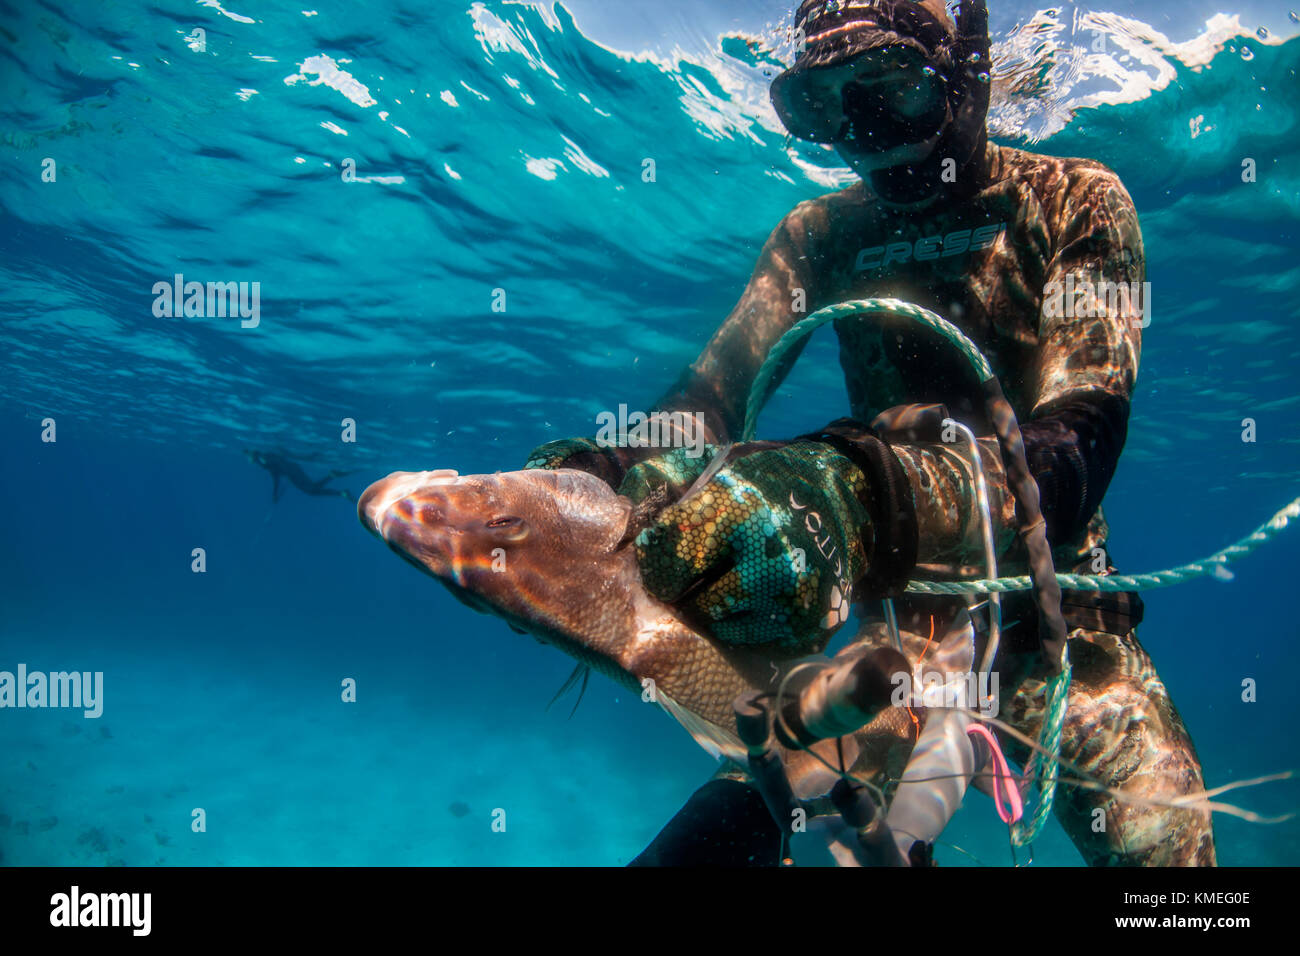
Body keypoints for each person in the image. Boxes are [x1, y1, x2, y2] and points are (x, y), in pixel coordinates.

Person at [527, 0, 1214, 866]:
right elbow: (708, 403)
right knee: (721, 828)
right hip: (901, 644)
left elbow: (1078, 446)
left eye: (893, 91)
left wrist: (857, 497)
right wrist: (601, 474)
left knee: (1176, 874)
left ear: (966, 74)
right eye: (825, 106)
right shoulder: (817, 237)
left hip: (1063, 632)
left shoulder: (1075, 200)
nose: (865, 134)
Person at [245, 448, 355, 503]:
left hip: (292, 472)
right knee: (312, 489)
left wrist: (275, 493)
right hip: (292, 472)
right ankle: (337, 485)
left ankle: (337, 485)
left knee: (311, 489)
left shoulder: (264, 459)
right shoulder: (264, 459)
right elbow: (276, 473)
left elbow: (276, 472)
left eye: (249, 457)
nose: (249, 460)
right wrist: (275, 493)